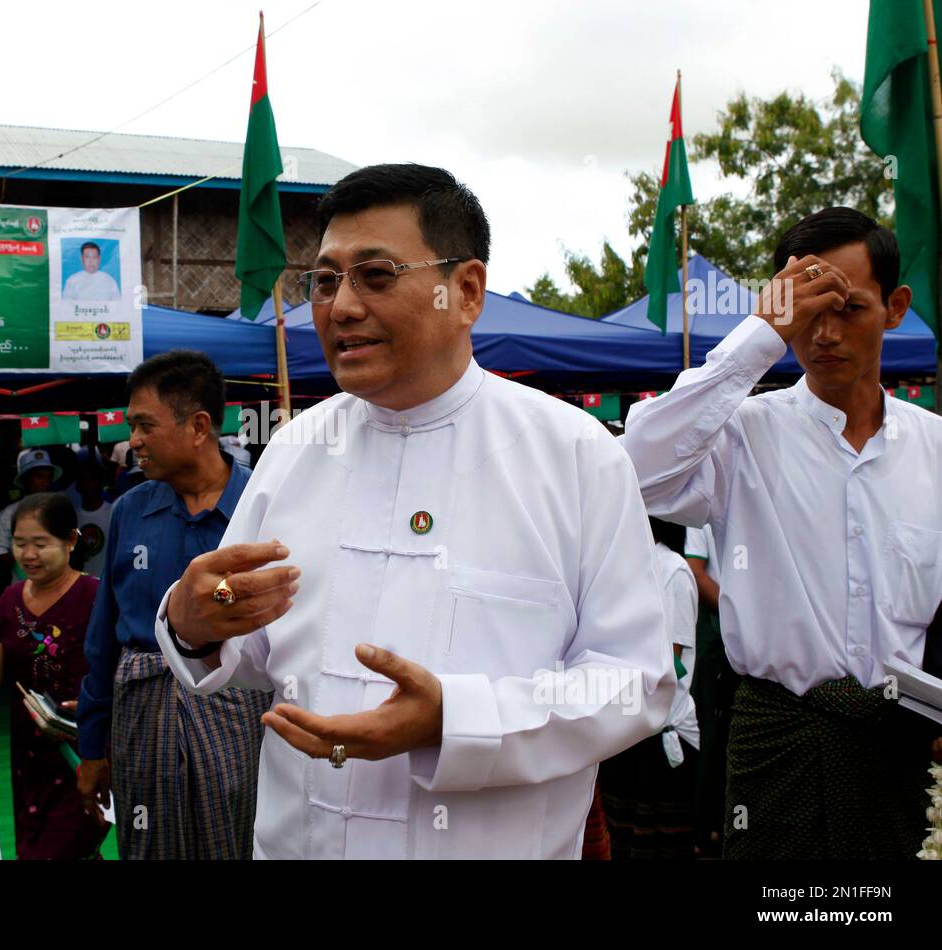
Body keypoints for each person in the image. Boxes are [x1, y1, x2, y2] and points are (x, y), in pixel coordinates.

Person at [157, 164, 675, 859]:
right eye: (324, 280)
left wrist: (457, 722)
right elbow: (252, 647)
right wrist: (191, 624)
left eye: (375, 275)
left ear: (464, 292)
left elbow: (634, 684)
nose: (340, 307)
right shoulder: (295, 449)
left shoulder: (574, 455)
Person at [623, 207, 942, 859]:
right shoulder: (741, 434)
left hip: (900, 741)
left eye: (848, 308)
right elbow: (636, 467)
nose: (823, 333)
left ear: (895, 306)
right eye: (804, 313)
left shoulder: (934, 448)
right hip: (776, 737)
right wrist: (760, 336)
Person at [74, 350, 270, 860]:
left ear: (198, 426)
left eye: (144, 425)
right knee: (148, 844)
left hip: (235, 702)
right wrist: (92, 746)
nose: (133, 440)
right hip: (140, 708)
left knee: (238, 840)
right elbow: (103, 637)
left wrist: (218, 601)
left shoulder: (263, 502)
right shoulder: (131, 510)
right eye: (130, 425)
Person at [0, 493, 106, 860]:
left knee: (60, 849)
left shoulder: (96, 596)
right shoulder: (8, 601)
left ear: (71, 541)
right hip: (29, 758)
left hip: (87, 752)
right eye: (20, 544)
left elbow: (120, 671)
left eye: (40, 544)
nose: (28, 555)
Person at [600, 518, 699, 860]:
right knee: (622, 839)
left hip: (662, 735)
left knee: (661, 845)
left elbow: (674, 662)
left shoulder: (673, 571)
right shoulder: (623, 570)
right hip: (624, 729)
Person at [682, 522, 735, 857]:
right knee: (709, 731)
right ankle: (703, 829)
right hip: (718, 633)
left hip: (751, 642)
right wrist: (741, 615)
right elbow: (695, 570)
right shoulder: (703, 512)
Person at [0, 448, 61, 578]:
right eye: (39, 476)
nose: (45, 481)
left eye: (48, 476)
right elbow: (1, 550)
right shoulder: (10, 513)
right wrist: (25, 570)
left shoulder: (59, 509)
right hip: (22, 586)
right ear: (25, 480)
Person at [64, 459, 113, 578]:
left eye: (91, 479)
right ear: (77, 486)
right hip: (79, 582)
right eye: (83, 480)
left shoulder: (113, 512)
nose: (87, 485)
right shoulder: (71, 517)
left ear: (101, 482)